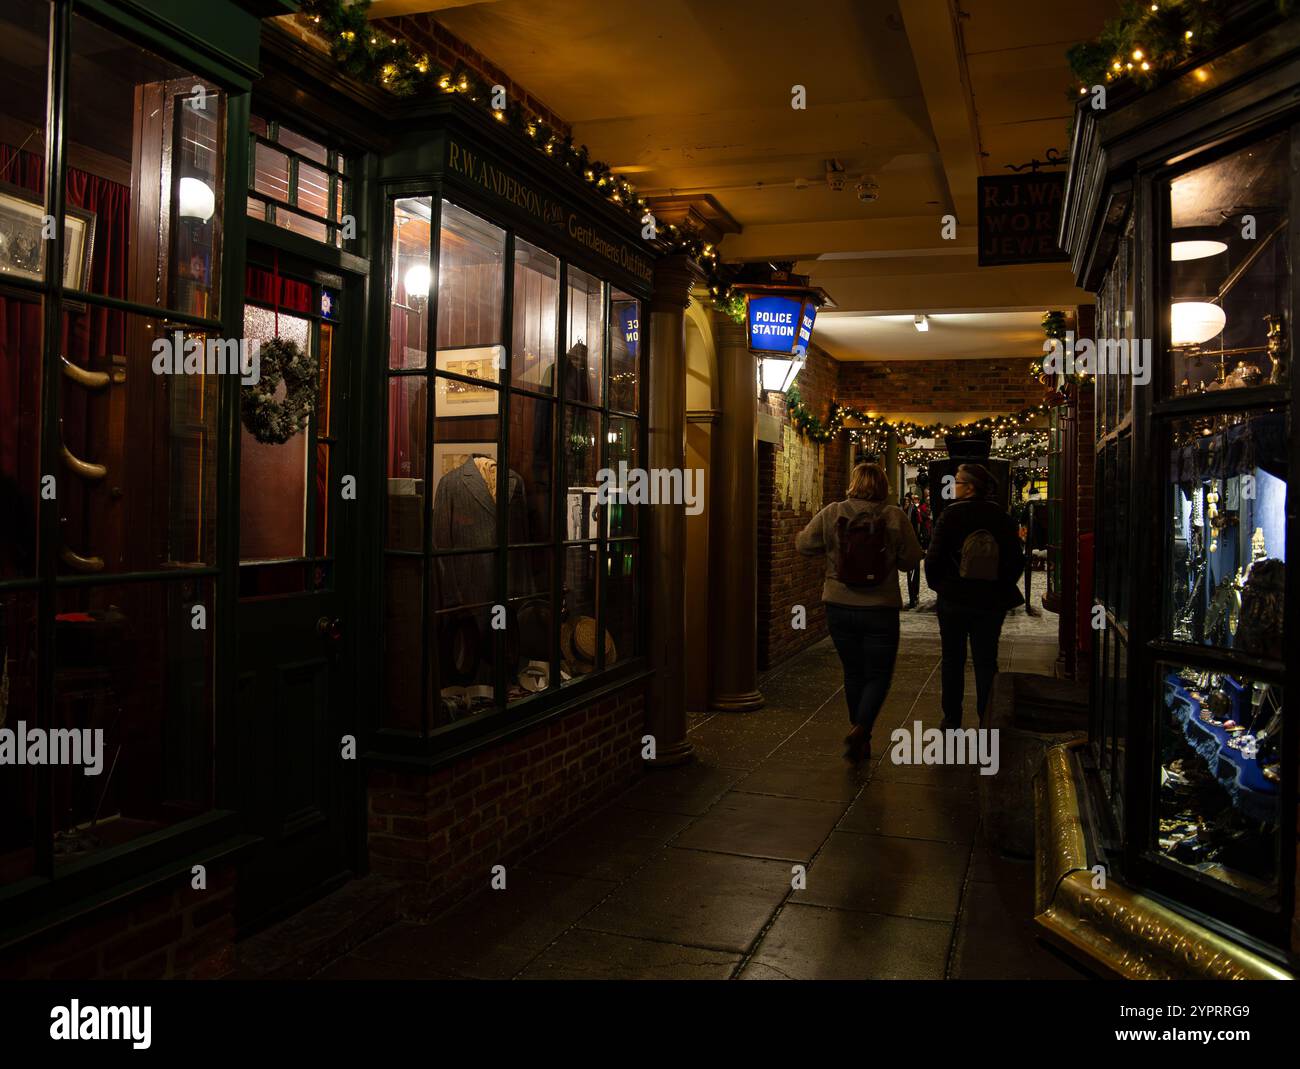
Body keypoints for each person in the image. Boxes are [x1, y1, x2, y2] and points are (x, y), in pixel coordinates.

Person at [797, 462, 923, 763]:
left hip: (839, 606)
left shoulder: (833, 512)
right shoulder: (894, 515)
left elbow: (803, 544)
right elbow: (911, 560)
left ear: (854, 483)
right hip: (880, 608)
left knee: (853, 672)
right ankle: (862, 729)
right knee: (879, 674)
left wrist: (831, 553)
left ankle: (858, 730)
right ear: (883, 486)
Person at [924, 463, 1024, 730]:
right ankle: (987, 718)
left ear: (969, 487)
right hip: (990, 602)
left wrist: (942, 587)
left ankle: (952, 719)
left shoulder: (949, 516)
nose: (952, 485)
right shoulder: (1001, 517)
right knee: (986, 661)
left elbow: (932, 559)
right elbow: (1016, 560)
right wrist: (999, 585)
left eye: (957, 481)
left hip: (954, 600)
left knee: (952, 660)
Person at [903, 491, 923, 608]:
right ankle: (913, 597)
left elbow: (918, 527)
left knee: (914, 572)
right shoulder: (904, 511)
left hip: (914, 543)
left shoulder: (913, 511)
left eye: (906, 500)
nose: (905, 502)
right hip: (907, 544)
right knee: (910, 573)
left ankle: (914, 597)